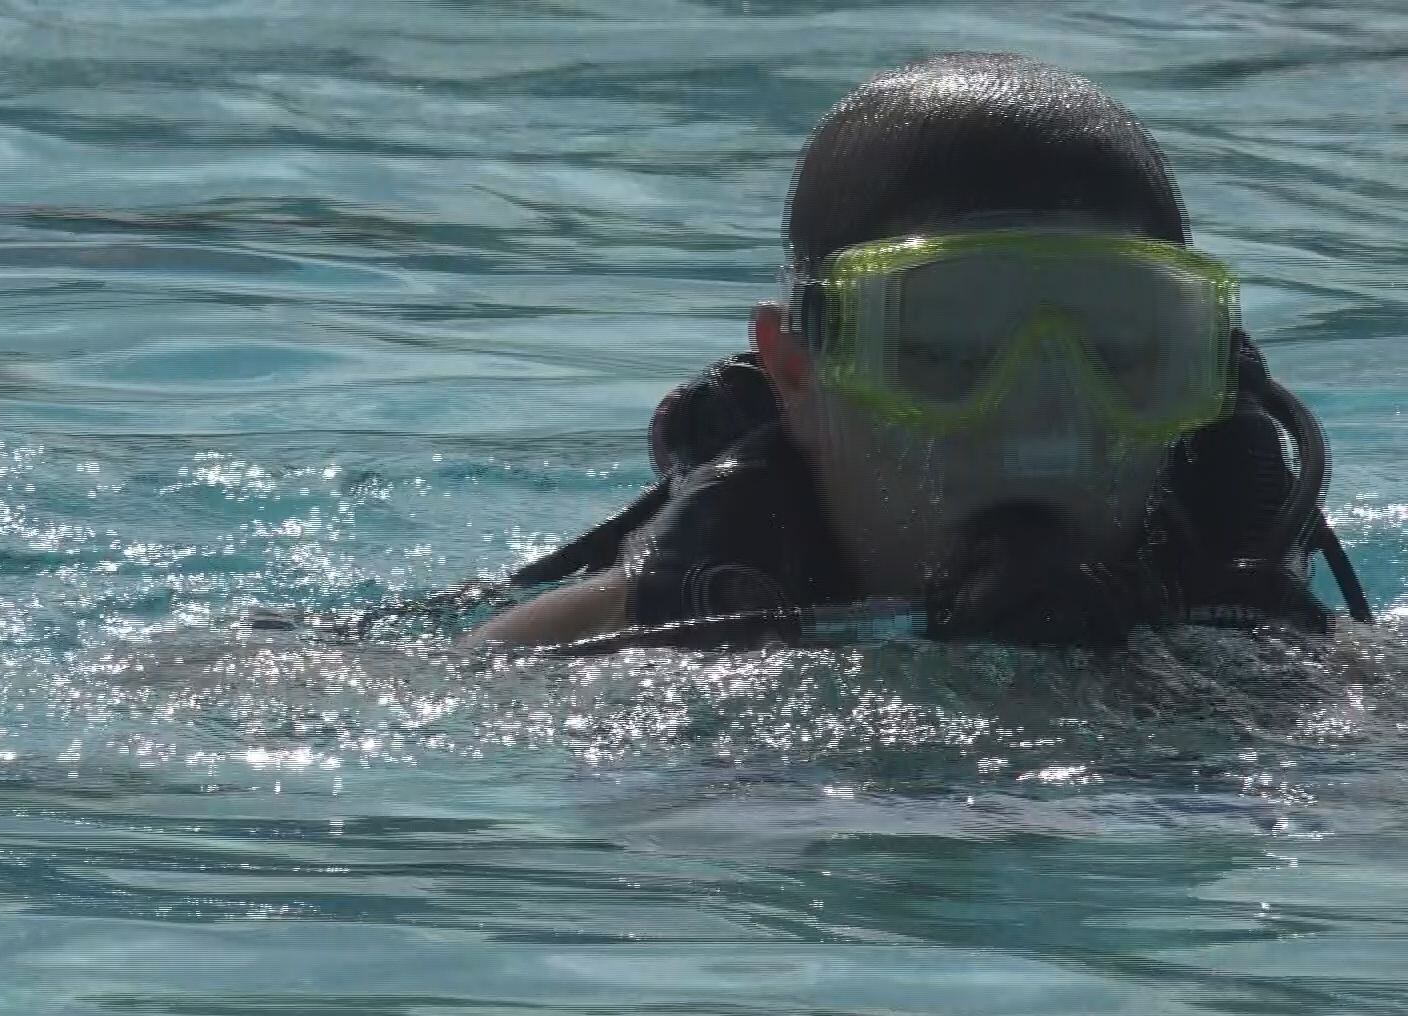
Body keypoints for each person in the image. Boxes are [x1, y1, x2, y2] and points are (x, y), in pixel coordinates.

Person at [466, 52, 1370, 651]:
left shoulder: (1299, 661)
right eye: (945, 354)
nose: (1043, 423)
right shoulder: (582, 655)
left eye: (1121, 354)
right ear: (795, 375)